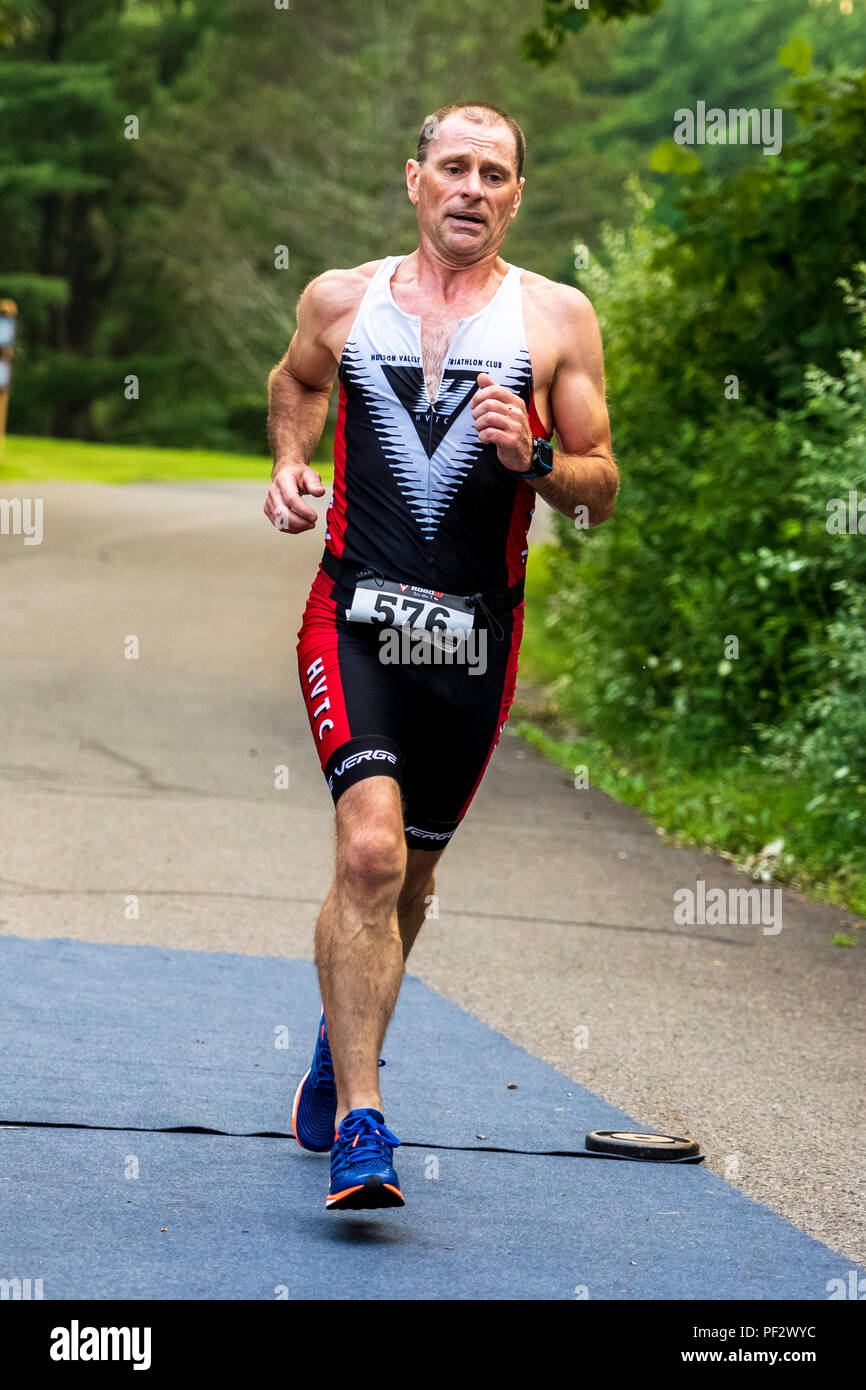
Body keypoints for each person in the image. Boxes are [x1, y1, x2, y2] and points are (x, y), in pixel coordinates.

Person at [264, 102, 618, 1211]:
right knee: (366, 854)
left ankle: (339, 1036)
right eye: (451, 166)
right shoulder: (341, 297)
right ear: (412, 180)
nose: (469, 186)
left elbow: (600, 482)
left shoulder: (555, 319)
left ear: (517, 197)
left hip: (474, 636)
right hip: (352, 617)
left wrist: (539, 462)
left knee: (410, 876)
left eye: (493, 172)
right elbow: (297, 383)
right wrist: (287, 464)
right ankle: (363, 1124)